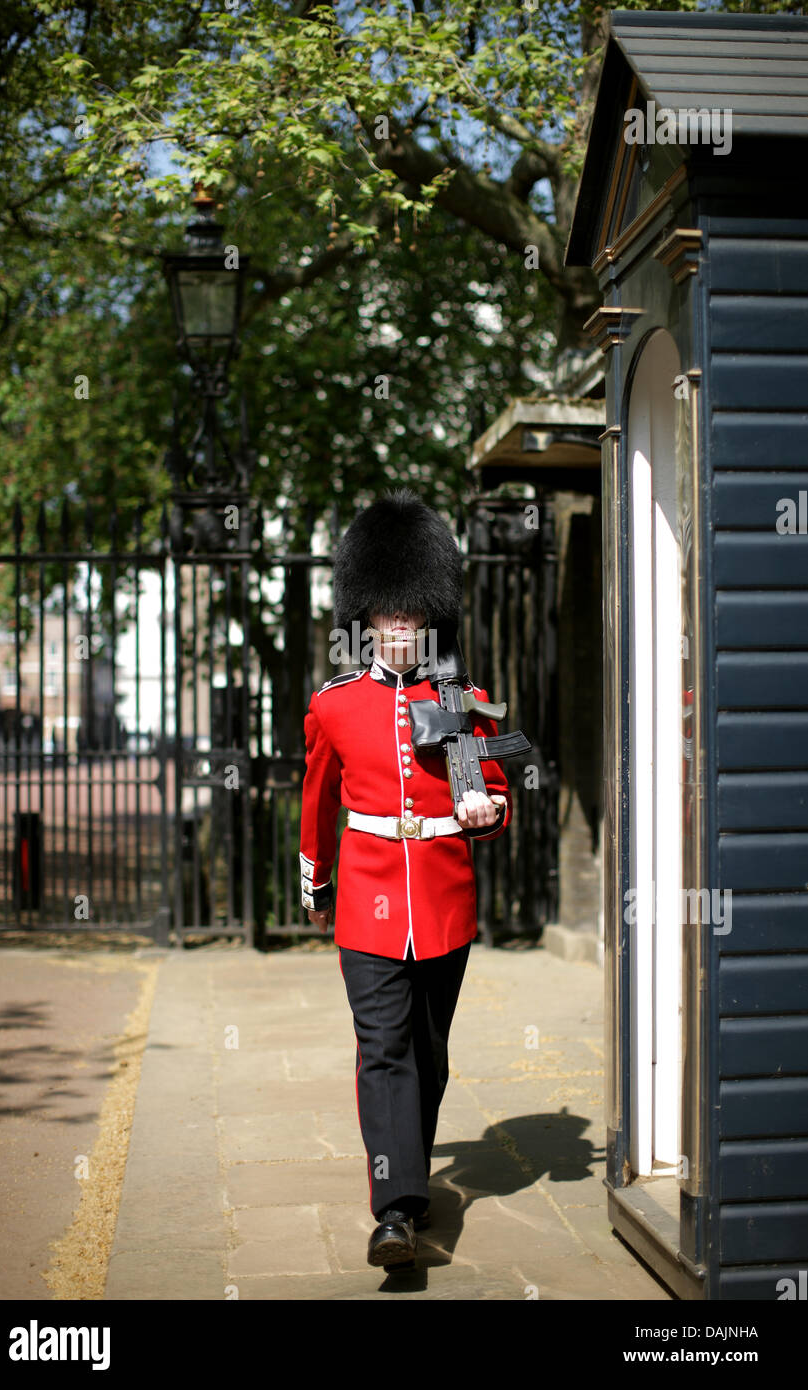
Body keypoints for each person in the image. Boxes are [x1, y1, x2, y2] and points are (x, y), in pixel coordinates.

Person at [299, 488, 510, 1271]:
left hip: (444, 897)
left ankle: (406, 1171)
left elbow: (493, 791)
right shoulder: (334, 706)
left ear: (428, 618)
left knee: (427, 1052)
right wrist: (315, 880)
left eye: (410, 615)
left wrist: (490, 811)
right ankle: (395, 1209)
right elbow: (317, 801)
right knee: (381, 1047)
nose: (398, 629)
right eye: (385, 614)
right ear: (366, 617)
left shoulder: (463, 702)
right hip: (365, 896)